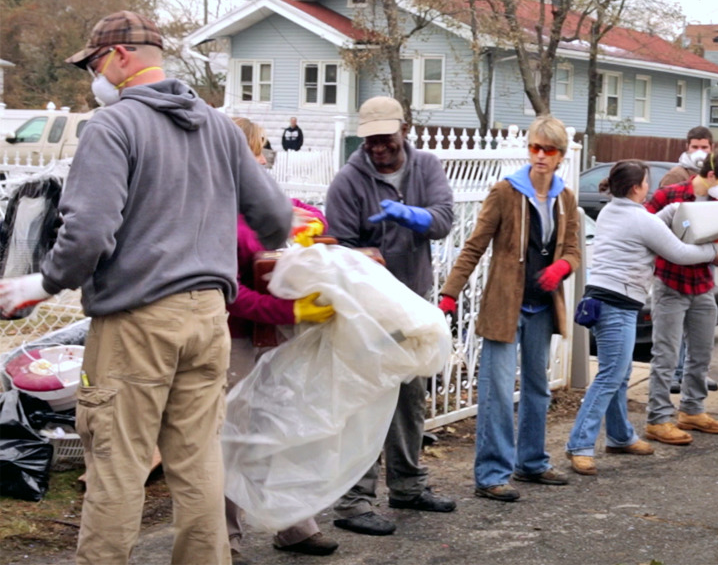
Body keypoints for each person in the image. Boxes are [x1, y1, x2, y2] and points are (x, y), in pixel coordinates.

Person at [0, 11, 292, 564]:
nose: (93, 75)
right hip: (209, 320)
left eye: (93, 63)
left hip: (137, 324)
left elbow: (87, 234)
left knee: (116, 463)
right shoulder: (217, 128)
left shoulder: (112, 127)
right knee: (199, 460)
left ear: (121, 57)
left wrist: (42, 283)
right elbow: (275, 218)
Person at [324, 96, 457, 535]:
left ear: (404, 129)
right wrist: (364, 253)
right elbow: (334, 247)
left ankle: (407, 486)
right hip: (366, 311)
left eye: (386, 138)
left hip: (412, 301)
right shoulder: (348, 181)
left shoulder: (426, 167)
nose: (378, 148)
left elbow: (442, 219)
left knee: (408, 399)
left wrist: (411, 215)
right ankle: (353, 501)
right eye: (371, 141)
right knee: (365, 401)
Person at [438, 115, 582, 502]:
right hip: (505, 307)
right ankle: (491, 475)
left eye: (548, 150)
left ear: (560, 157)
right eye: (534, 147)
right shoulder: (505, 192)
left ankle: (532, 463)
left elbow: (573, 249)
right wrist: (450, 293)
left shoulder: (565, 198)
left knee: (537, 389)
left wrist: (563, 266)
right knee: (498, 392)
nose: (539, 155)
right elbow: (474, 245)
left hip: (541, 307)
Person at [565, 160, 718, 475]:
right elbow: (679, 253)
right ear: (635, 188)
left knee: (619, 374)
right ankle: (579, 445)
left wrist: (672, 211)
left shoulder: (612, 211)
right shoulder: (638, 219)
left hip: (605, 301)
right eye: (646, 182)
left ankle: (620, 436)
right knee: (611, 376)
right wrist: (714, 251)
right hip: (616, 304)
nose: (650, 187)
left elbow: (651, 223)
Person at [223, 117, 338, 560]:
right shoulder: (217, 212)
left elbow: (307, 215)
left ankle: (294, 525)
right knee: (231, 438)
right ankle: (225, 538)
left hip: (274, 340)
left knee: (282, 429)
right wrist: (292, 310)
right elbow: (232, 294)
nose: (264, 159)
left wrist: (307, 222)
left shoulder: (262, 202)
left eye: (264, 151)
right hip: (235, 339)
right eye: (256, 151)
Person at [642, 148, 718, 445]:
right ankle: (658, 418)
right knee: (666, 355)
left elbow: (716, 255)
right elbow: (643, 231)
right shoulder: (669, 196)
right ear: (710, 175)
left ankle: (692, 410)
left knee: (701, 354)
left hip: (703, 287)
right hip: (670, 285)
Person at [660, 125, 718, 394]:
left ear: (712, 149)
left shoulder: (714, 178)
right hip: (677, 261)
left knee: (701, 324)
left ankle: (695, 372)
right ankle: (676, 372)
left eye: (704, 147)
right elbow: (661, 220)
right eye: (695, 147)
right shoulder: (676, 175)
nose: (699, 152)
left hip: (705, 258)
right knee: (674, 327)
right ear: (687, 147)